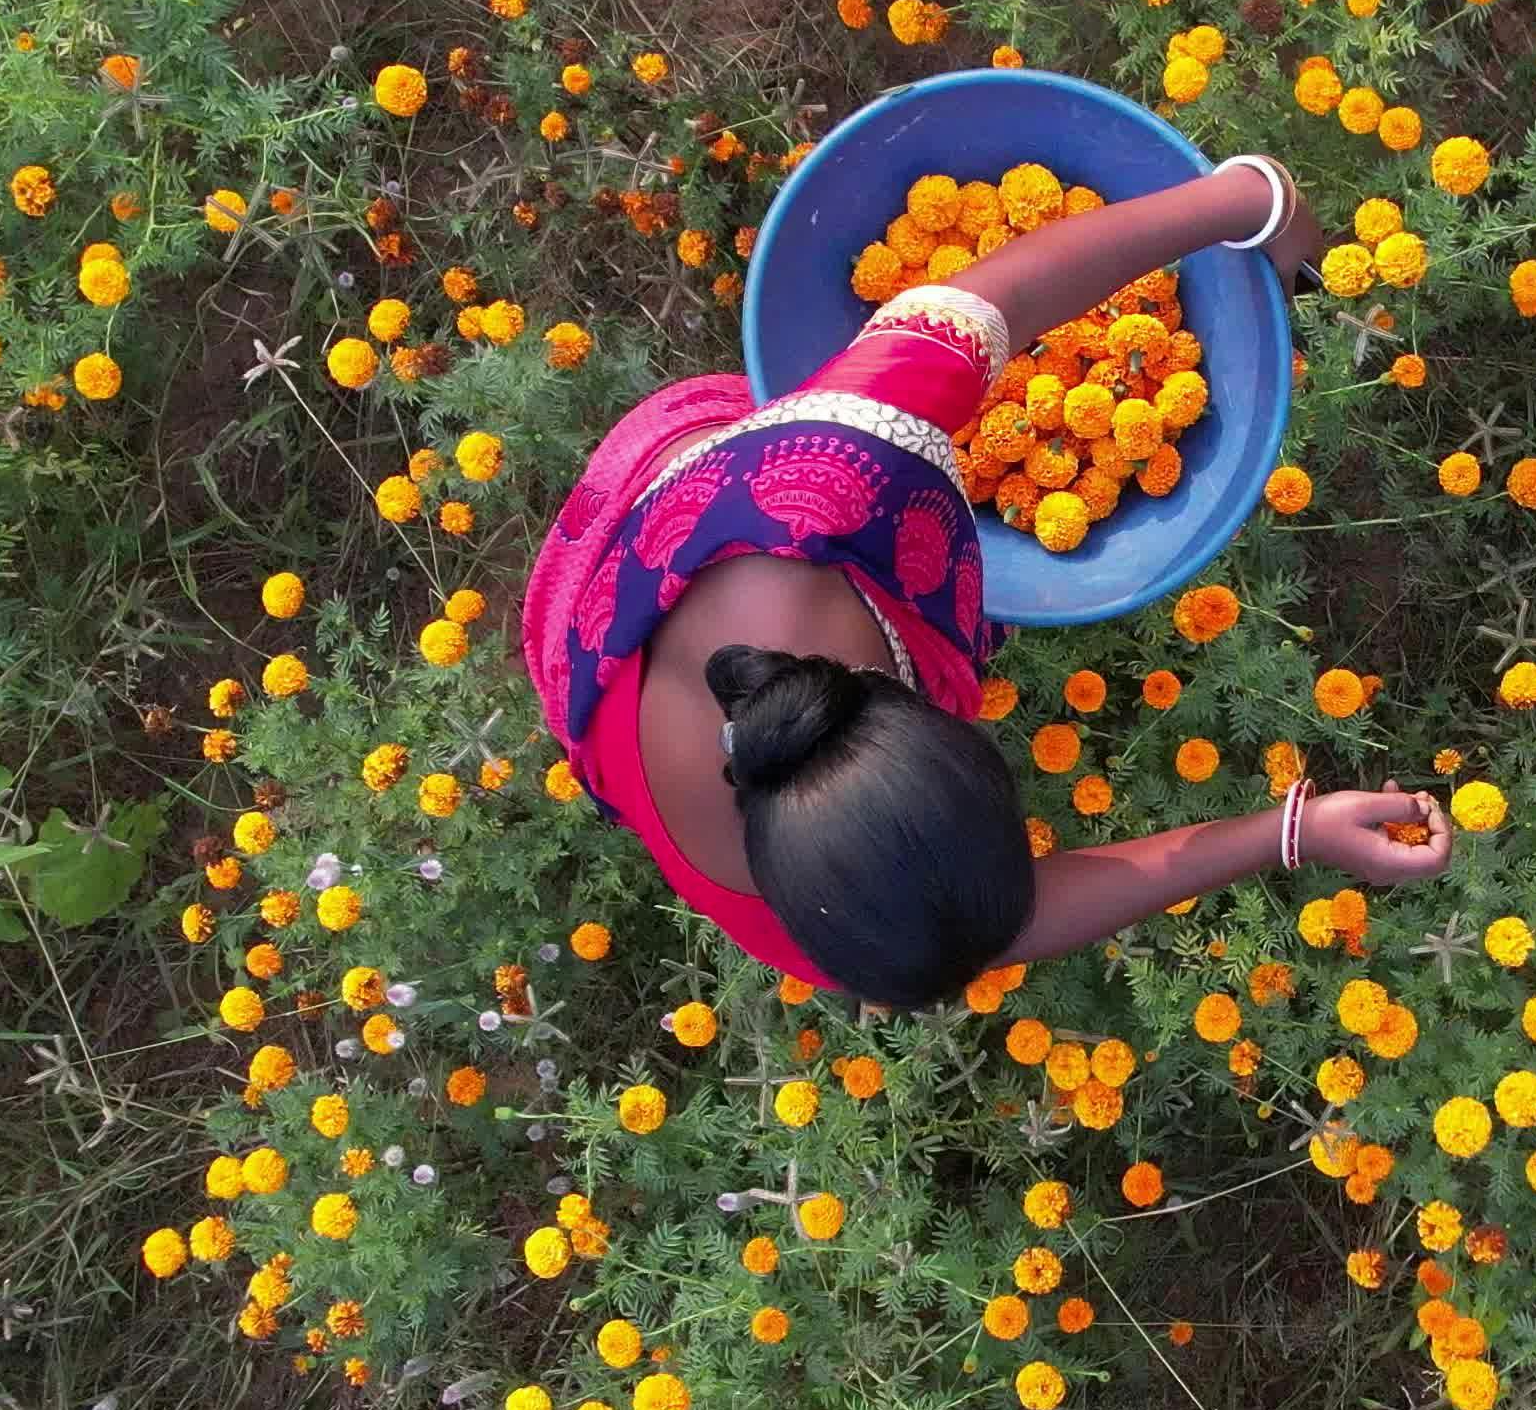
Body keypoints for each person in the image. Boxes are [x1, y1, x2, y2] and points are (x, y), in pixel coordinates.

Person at [521, 146, 1453, 1008]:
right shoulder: (820, 916)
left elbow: (992, 299)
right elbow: (998, 929)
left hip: (682, 501)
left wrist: (1251, 199)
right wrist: (1292, 831)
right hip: (626, 645)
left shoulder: (825, 478)